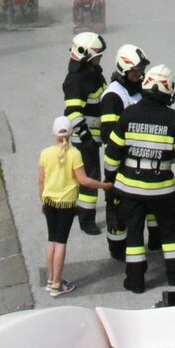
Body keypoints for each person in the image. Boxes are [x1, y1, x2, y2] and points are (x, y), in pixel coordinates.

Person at [109, 63, 175, 293]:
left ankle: (135, 281)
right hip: (162, 187)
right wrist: (163, 158)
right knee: (172, 231)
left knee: (134, 235)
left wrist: (111, 180)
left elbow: (112, 152)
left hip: (130, 188)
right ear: (168, 91)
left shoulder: (128, 114)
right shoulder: (174, 118)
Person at [39, 115, 112, 297]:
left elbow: (41, 181)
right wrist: (104, 186)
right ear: (71, 134)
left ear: (53, 133)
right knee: (61, 242)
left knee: (52, 240)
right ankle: (57, 285)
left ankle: (50, 279)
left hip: (49, 202)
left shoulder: (45, 153)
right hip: (66, 204)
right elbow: (84, 180)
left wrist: (42, 201)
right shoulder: (74, 154)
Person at [98, 44, 149, 262]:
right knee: (117, 206)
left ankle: (152, 240)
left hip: (140, 159)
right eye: (134, 71)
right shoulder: (113, 96)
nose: (139, 74)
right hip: (119, 162)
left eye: (141, 70)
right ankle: (117, 248)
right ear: (122, 70)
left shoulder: (140, 89)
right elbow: (109, 136)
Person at [62, 32, 109, 236]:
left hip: (92, 136)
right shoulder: (76, 80)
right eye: (97, 55)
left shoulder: (93, 72)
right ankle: (86, 220)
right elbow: (73, 112)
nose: (100, 59)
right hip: (84, 138)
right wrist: (85, 136)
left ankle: (74, 207)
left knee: (79, 175)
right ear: (85, 56)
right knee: (90, 177)